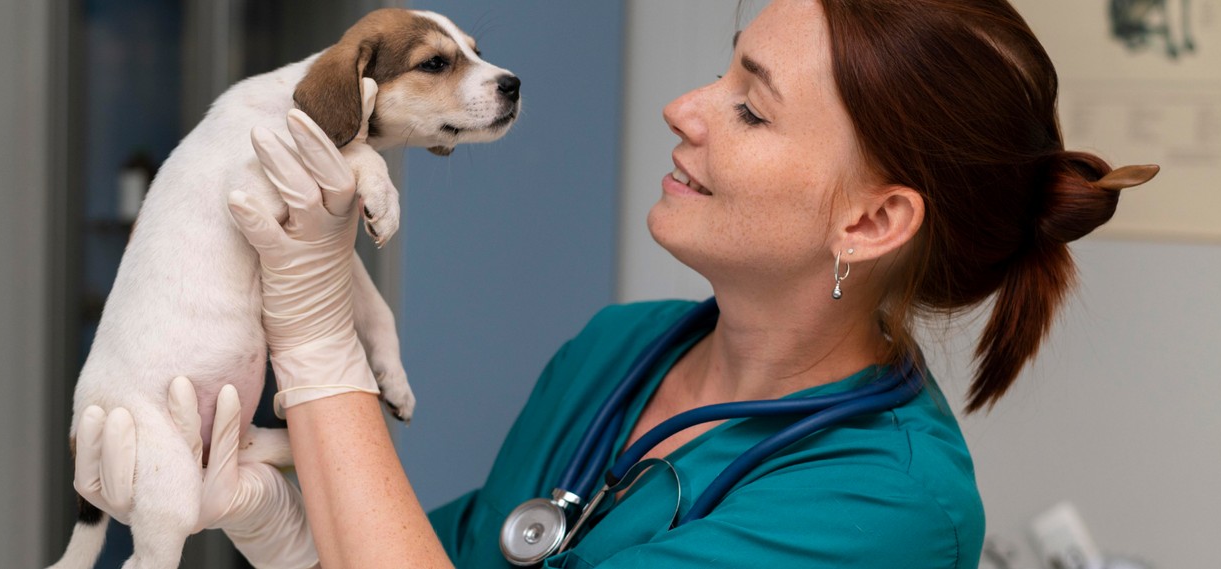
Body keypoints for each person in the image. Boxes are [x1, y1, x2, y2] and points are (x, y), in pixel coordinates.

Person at [72, 1, 1159, 567]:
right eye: (723, 66)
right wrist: (288, 535)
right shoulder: (617, 351)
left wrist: (318, 341)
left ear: (871, 221)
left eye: (750, 105)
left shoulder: (883, 508)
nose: (686, 106)